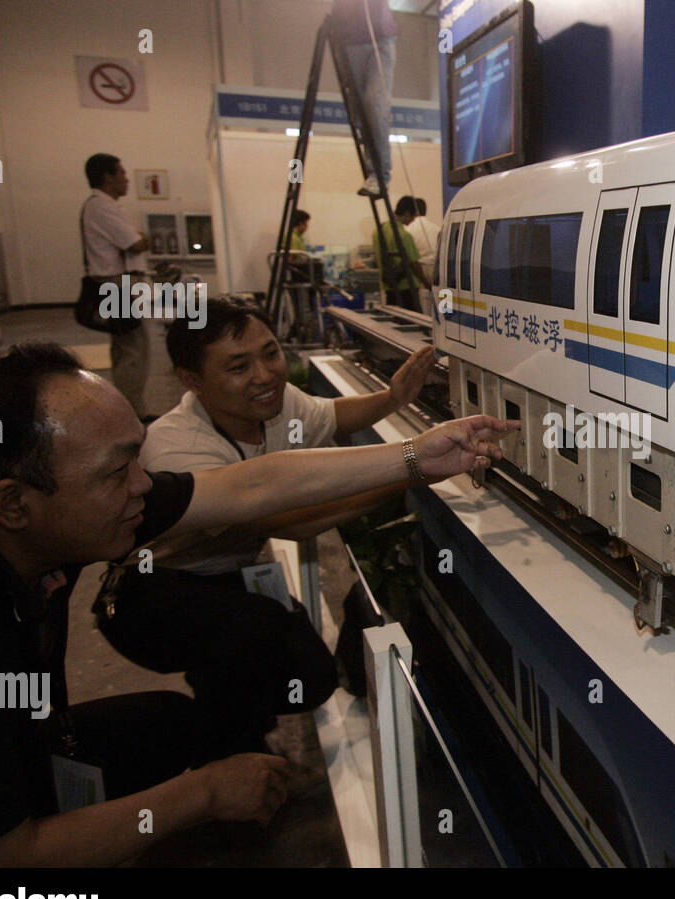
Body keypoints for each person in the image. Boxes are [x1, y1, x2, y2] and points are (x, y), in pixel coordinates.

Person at [0, 342, 511, 865]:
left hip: (31, 734)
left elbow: (245, 487)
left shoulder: (39, 522)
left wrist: (417, 456)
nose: (144, 485)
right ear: (13, 504)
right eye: (118, 471)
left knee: (170, 725)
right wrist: (203, 793)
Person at [94, 296, 439, 758]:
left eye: (271, 353)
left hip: (222, 575)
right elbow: (293, 522)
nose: (264, 375)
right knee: (271, 653)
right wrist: (413, 469)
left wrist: (393, 398)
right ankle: (224, 752)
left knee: (297, 666)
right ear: (192, 381)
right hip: (149, 596)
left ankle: (230, 709)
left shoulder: (274, 404)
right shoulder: (177, 449)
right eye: (238, 367)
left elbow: (332, 415)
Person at [81, 153, 150, 419]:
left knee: (128, 347)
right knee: (132, 349)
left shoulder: (102, 206)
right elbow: (135, 243)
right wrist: (142, 237)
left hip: (118, 285)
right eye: (122, 173)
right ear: (108, 177)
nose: (127, 179)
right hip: (117, 285)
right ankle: (132, 412)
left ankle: (132, 406)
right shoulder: (101, 206)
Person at [329, 0, 397, 197]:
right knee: (359, 115)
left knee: (375, 105)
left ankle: (380, 174)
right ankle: (373, 168)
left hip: (380, 38)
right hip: (347, 40)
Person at [373, 196, 426, 310]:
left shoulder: (378, 231)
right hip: (406, 289)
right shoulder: (404, 235)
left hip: (388, 287)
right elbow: (414, 264)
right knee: (414, 323)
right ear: (407, 214)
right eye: (414, 216)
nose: (413, 220)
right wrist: (427, 283)